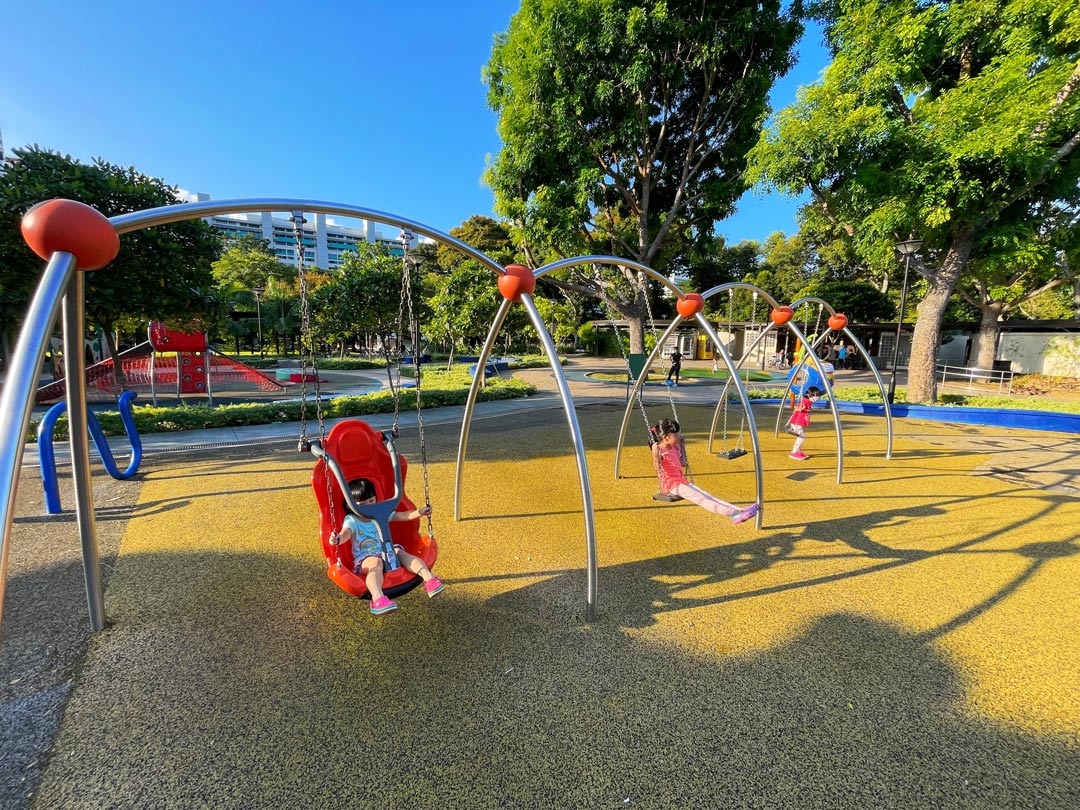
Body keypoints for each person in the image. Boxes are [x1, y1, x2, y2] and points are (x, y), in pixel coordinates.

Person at [332, 478, 444, 615]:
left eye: (371, 501)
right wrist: (338, 539)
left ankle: (430, 579)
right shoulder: (352, 520)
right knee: (376, 562)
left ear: (376, 499)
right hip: (365, 557)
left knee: (400, 552)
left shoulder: (381, 512)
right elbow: (346, 533)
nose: (369, 507)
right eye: (362, 504)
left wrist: (419, 512)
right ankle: (378, 599)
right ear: (351, 506)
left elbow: (402, 515)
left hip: (386, 550)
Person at [650, 418, 759, 524]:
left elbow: (683, 463)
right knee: (703, 500)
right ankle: (734, 514)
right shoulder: (659, 451)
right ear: (665, 437)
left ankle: (739, 511)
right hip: (672, 486)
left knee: (708, 496)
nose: (679, 436)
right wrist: (655, 455)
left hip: (681, 482)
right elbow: (658, 469)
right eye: (675, 435)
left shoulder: (674, 447)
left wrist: (682, 446)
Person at [787, 386, 822, 461]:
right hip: (796, 423)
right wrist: (801, 408)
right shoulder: (805, 401)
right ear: (810, 395)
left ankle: (798, 451)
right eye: (815, 396)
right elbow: (796, 408)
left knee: (800, 437)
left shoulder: (809, 401)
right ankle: (794, 452)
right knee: (801, 438)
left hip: (798, 422)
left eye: (818, 396)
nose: (817, 398)